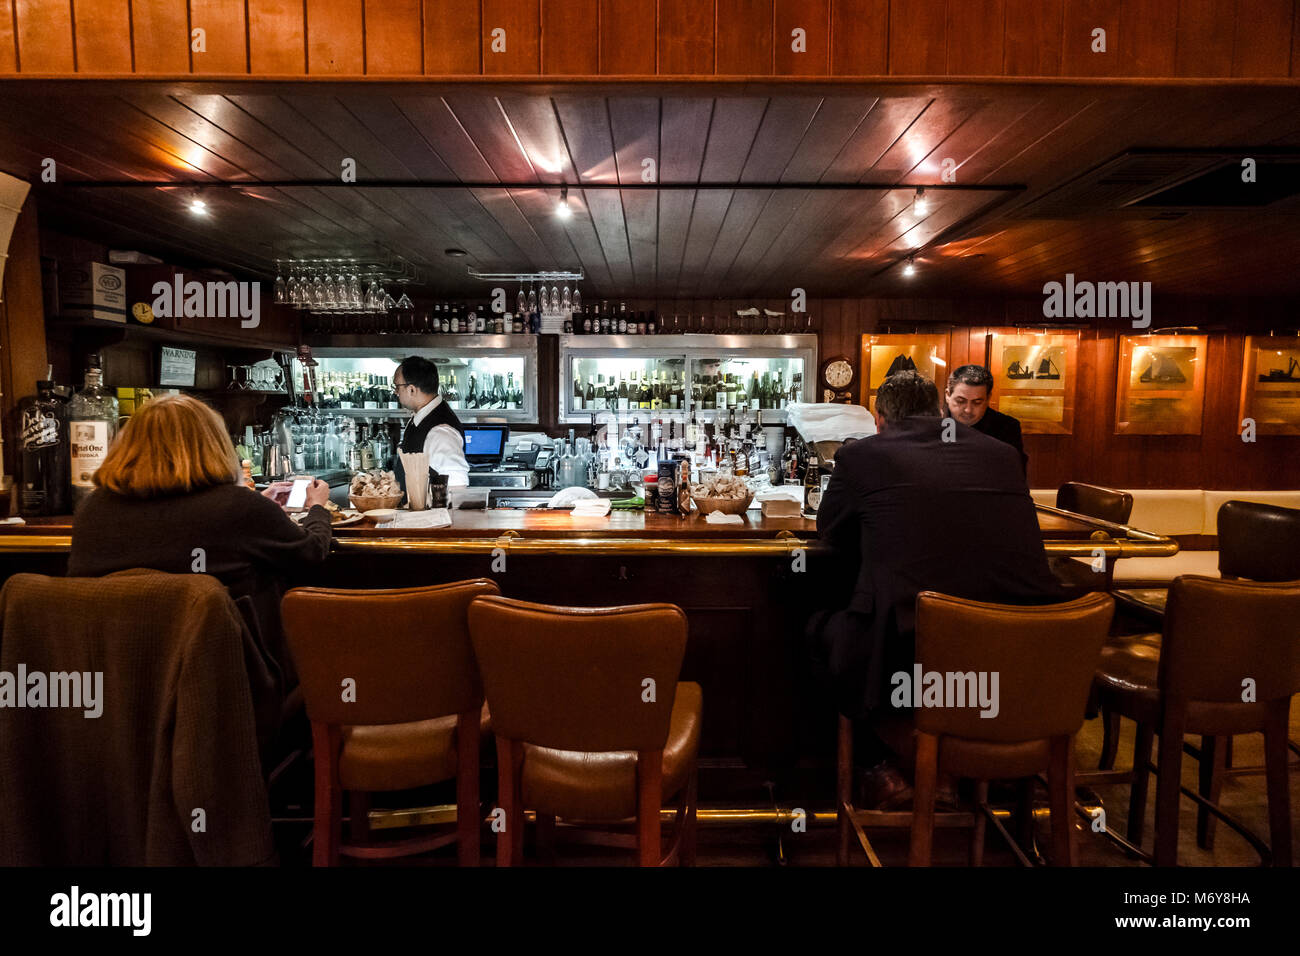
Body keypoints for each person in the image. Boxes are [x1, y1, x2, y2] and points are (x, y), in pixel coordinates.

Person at [808, 370, 1062, 801]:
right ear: (939, 409)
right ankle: (971, 768)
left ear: (879, 419)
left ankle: (886, 765)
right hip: (1024, 656)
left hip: (918, 646)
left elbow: (830, 530)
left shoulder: (861, 456)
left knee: (819, 627)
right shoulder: (1003, 454)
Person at [67, 394, 332, 754]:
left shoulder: (92, 513)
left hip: (118, 703)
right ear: (213, 445)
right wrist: (318, 509)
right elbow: (312, 553)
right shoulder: (237, 509)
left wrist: (259, 508)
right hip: (233, 696)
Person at [391, 356, 469, 498]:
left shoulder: (440, 431)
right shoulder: (419, 417)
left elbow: (457, 487)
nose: (395, 392)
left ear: (412, 390)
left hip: (429, 519)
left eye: (397, 386)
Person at [943, 364, 1028, 473]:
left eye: (977, 402)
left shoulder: (1007, 427)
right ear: (948, 395)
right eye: (960, 401)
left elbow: (1015, 475)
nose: (968, 410)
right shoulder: (934, 424)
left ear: (988, 399)